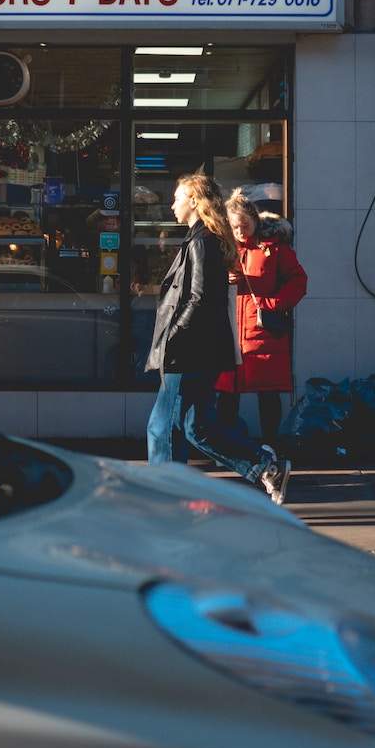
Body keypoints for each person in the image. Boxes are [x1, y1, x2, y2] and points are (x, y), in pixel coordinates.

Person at [145, 173, 291, 505]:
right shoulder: (205, 239)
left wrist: (174, 337)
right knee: (197, 427)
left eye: (178, 197)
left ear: (194, 201)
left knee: (162, 425)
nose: (173, 204)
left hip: (188, 352)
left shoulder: (202, 241)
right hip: (200, 351)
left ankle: (164, 497)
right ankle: (266, 465)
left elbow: (198, 298)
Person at [215, 195, 308, 445]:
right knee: (226, 394)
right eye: (234, 226)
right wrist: (223, 279)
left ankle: (270, 447)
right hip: (230, 329)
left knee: (268, 394)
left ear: (255, 221)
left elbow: (298, 281)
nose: (239, 231)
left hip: (263, 331)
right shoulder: (223, 248)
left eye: (244, 225)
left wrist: (272, 305)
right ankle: (229, 448)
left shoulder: (274, 248)